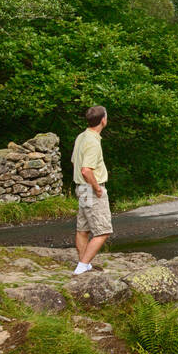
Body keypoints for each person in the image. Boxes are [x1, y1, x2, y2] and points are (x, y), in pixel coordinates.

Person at [70, 105, 112, 274]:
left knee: (83, 229)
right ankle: (81, 267)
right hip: (91, 189)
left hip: (82, 189)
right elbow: (86, 170)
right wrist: (97, 189)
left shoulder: (82, 136)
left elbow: (75, 162)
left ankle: (84, 264)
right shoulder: (92, 142)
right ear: (103, 120)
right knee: (103, 231)